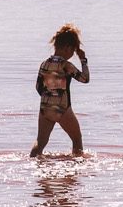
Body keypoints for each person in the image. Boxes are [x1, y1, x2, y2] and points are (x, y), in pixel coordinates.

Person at [31, 24, 91, 157]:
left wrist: (49, 98)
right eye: (73, 51)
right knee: (76, 138)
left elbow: (38, 87)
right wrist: (83, 60)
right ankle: (76, 168)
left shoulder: (45, 64)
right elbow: (84, 79)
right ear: (67, 48)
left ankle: (32, 163)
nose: (72, 54)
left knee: (40, 143)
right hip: (62, 108)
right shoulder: (66, 65)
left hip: (45, 108)